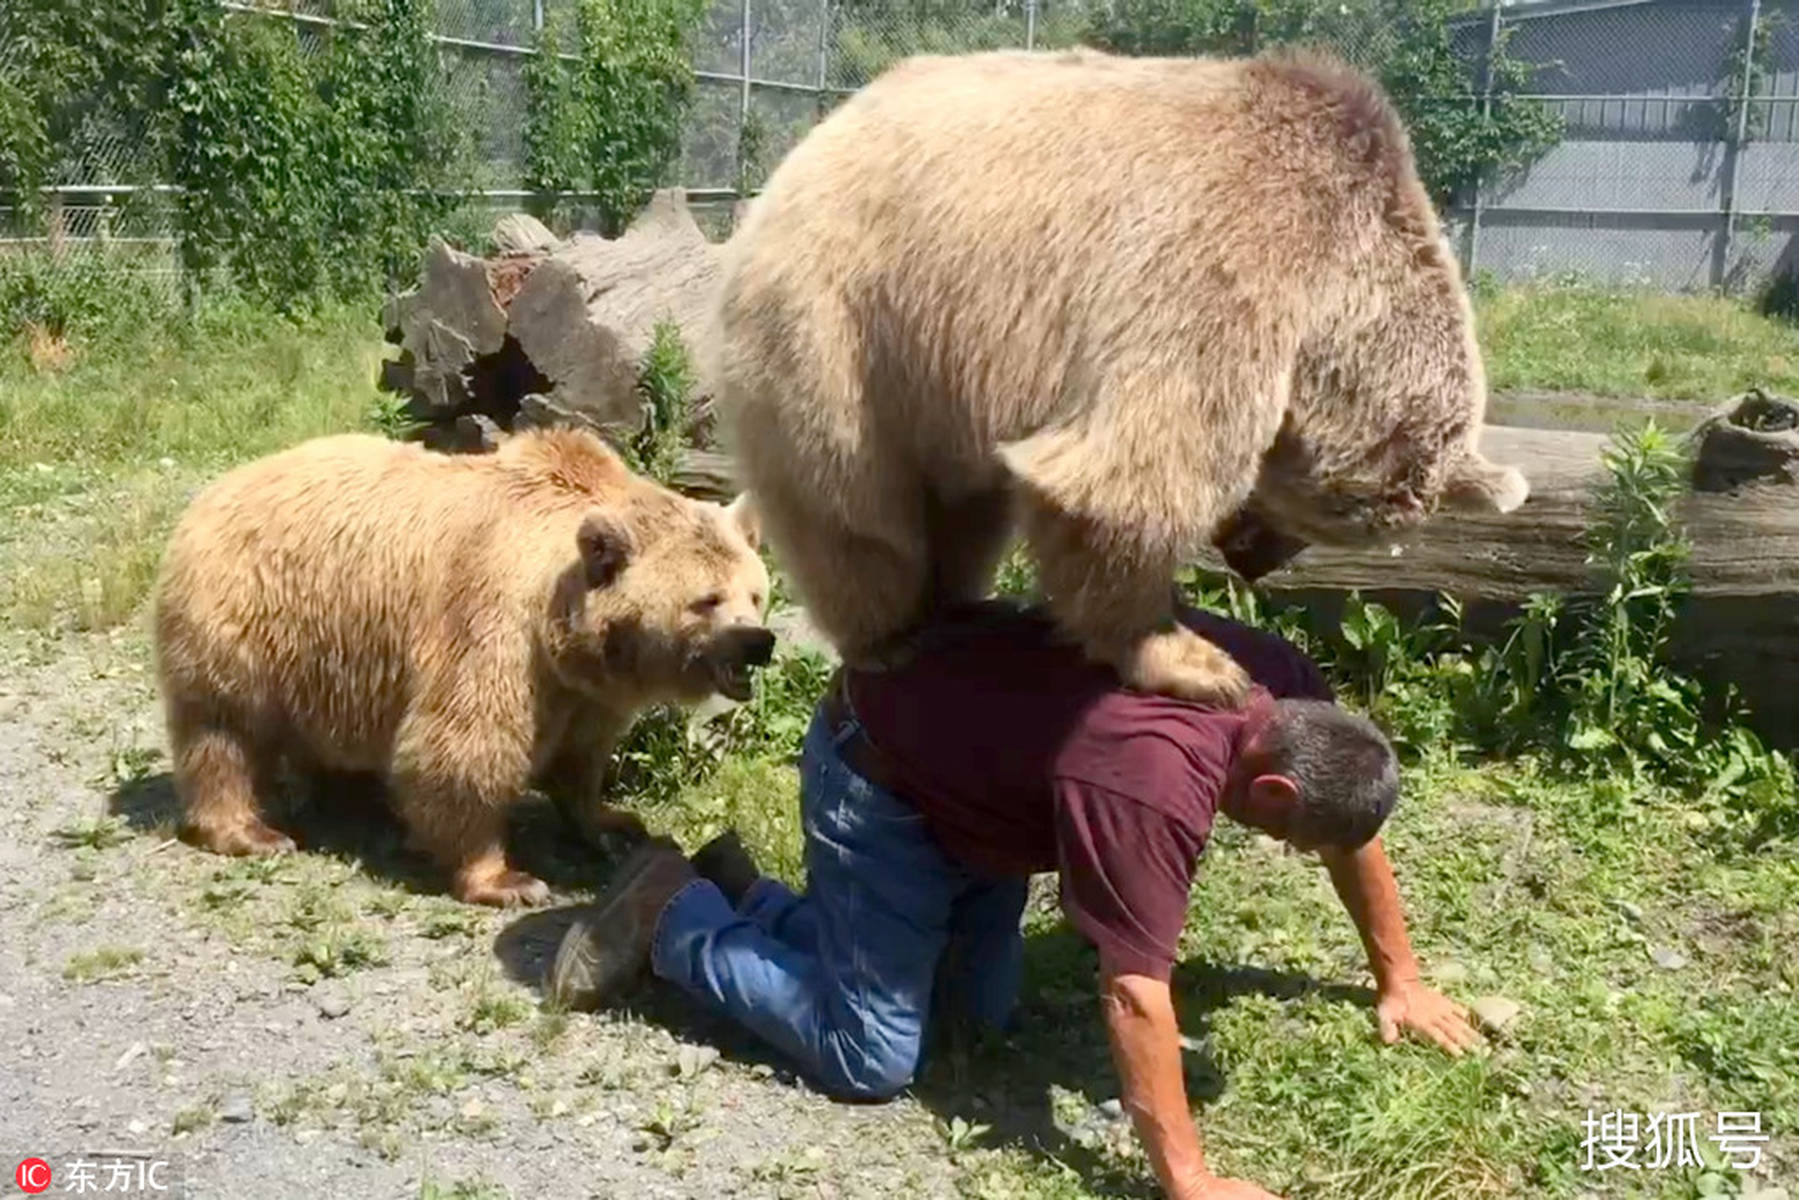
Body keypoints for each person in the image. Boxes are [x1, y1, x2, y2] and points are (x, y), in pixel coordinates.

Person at [549, 600, 1481, 1200]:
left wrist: (1398, 977)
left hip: (982, 793)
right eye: (1288, 839)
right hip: (884, 783)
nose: (1284, 852)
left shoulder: (1280, 688)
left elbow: (1351, 832)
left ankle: (753, 899)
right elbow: (1132, 992)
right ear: (1273, 793)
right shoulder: (1154, 783)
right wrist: (1190, 1180)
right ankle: (676, 911)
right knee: (869, 1056)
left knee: (974, 1017)